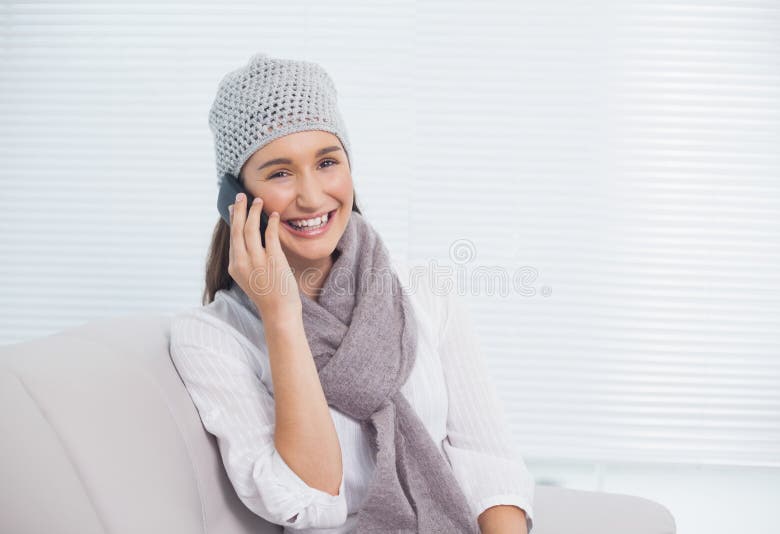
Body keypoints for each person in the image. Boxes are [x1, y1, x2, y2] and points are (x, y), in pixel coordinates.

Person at [169, 53, 535, 534]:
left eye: (326, 162)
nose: (313, 196)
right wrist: (280, 316)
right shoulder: (212, 337)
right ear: (237, 198)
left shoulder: (424, 291)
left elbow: (489, 464)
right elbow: (310, 496)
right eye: (280, 173)